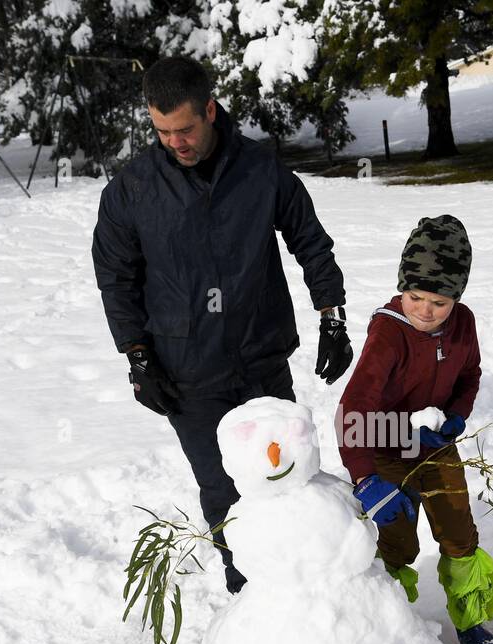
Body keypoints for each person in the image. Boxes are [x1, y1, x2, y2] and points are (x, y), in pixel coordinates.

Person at [91, 56, 352, 594]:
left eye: (185, 129)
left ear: (210, 110)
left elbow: (309, 240)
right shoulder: (132, 190)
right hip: (187, 371)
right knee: (225, 490)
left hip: (262, 358)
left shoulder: (260, 170)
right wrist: (137, 356)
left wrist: (332, 316)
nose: (175, 142)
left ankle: (310, 597)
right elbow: (115, 278)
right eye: (162, 131)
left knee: (290, 479)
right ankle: (251, 598)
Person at [337, 215, 493, 644]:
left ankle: (470, 620)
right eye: (415, 296)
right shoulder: (388, 332)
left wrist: (455, 416)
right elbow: (353, 409)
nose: (426, 311)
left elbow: (470, 375)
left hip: (434, 447)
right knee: (399, 541)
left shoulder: (463, 323)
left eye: (439, 301)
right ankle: (388, 623)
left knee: (458, 532)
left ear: (457, 297)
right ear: (402, 286)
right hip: (386, 448)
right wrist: (364, 479)